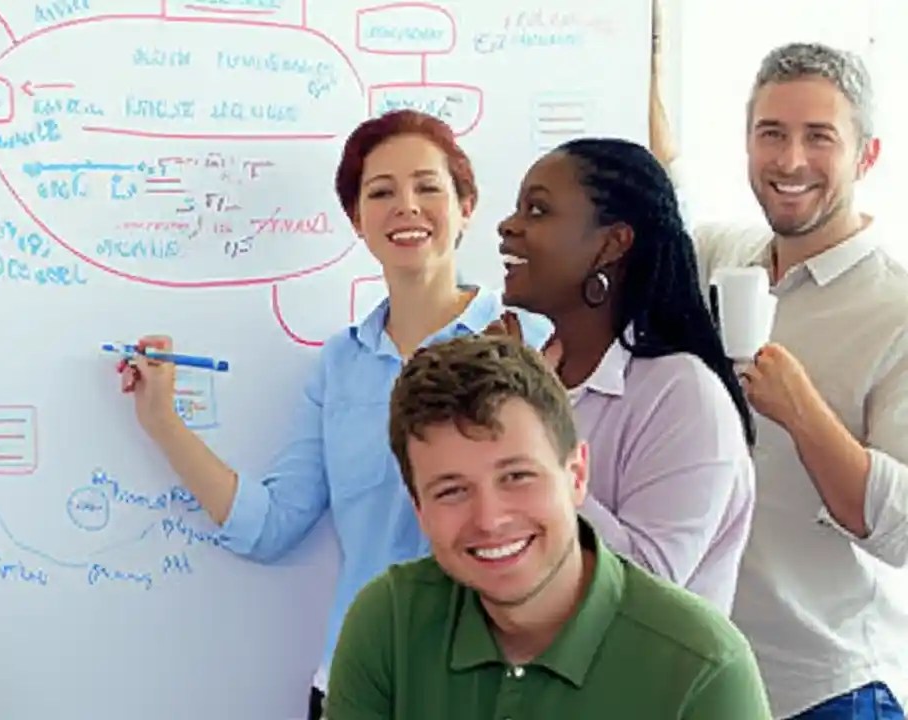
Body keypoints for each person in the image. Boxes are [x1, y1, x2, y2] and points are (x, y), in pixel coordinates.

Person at [119, 109, 551, 717]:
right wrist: (162, 420)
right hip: (362, 680)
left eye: (428, 186)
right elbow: (271, 527)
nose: (406, 206)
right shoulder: (340, 367)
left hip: (496, 685)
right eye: (381, 192)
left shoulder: (529, 341)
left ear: (466, 205)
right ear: (357, 219)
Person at [653, 40, 908, 719]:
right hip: (700, 677)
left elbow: (901, 531)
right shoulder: (718, 253)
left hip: (827, 691)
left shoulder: (897, 310)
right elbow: (655, 199)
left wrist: (803, 412)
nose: (790, 161)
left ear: (867, 156)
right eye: (772, 134)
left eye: (819, 137)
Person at [325, 334, 772, 719]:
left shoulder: (704, 669)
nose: (490, 519)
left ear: (577, 475)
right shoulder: (387, 621)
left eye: (517, 476)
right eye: (451, 491)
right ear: (418, 508)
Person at [488, 137, 756, 613]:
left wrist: (525, 423)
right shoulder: (538, 369)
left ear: (612, 243)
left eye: (538, 211)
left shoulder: (681, 393)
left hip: (647, 686)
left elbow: (645, 587)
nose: (508, 227)